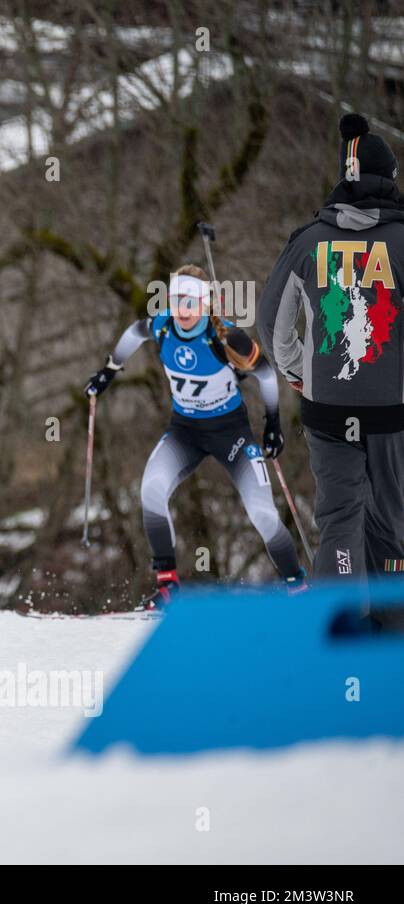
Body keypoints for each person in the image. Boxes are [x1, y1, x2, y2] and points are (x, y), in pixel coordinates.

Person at [86, 265, 305, 609]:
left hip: (230, 434)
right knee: (151, 491)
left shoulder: (228, 338)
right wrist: (110, 370)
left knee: (262, 512)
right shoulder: (162, 326)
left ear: (206, 304)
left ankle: (297, 586)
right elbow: (133, 332)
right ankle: (167, 586)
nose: (183, 311)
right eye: (176, 301)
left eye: (191, 302)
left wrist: (273, 422)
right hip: (185, 431)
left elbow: (265, 375)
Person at [257, 112, 404, 584]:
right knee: (391, 523)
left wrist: (300, 371)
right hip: (392, 411)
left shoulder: (307, 242)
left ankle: (336, 628)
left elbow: (272, 324)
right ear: (390, 180)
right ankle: (391, 628)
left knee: (338, 520)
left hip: (328, 407)